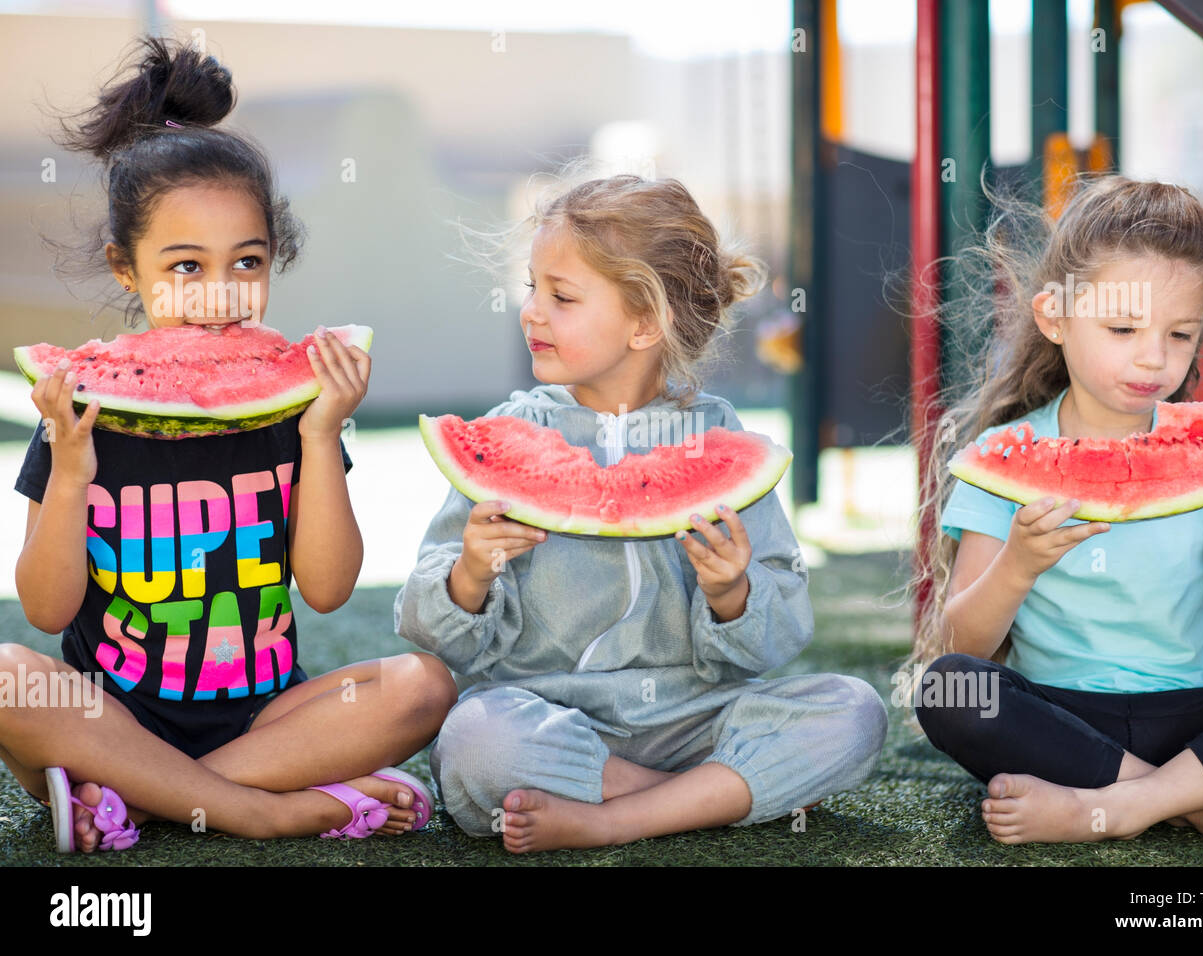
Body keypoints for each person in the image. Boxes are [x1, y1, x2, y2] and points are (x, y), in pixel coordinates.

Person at [2, 35, 457, 853]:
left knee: (424, 685)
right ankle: (267, 807)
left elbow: (325, 589)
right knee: (6, 675)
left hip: (268, 717)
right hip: (110, 715)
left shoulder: (293, 410)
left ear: (274, 259)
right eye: (184, 266)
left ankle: (143, 801)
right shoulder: (79, 411)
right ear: (124, 268)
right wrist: (71, 472)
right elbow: (45, 609)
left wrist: (320, 435)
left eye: (246, 261)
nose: (219, 294)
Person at [395, 173, 886, 853]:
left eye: (561, 296)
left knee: (854, 712)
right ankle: (694, 798)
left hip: (694, 719)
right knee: (477, 741)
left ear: (647, 323)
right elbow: (430, 627)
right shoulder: (509, 435)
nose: (531, 312)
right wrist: (471, 576)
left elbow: (781, 633)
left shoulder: (720, 439)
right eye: (532, 287)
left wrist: (732, 594)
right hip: (550, 718)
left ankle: (619, 813)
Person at [907, 173, 1203, 853]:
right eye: (1123, 327)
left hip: (1192, 717)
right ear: (1055, 317)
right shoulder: (1002, 455)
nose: (1154, 357)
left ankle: (1118, 805)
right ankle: (1195, 806)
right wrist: (1018, 565)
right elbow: (963, 644)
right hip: (1060, 717)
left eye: (1180, 334)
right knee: (949, 690)